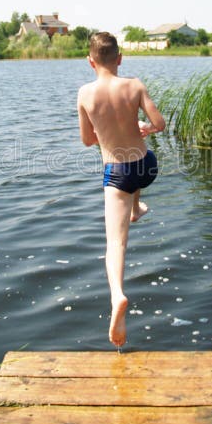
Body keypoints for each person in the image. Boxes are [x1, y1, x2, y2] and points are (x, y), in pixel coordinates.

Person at [77, 32, 165, 348]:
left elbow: (87, 140)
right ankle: (137, 208)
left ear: (90, 61)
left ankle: (117, 297)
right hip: (145, 166)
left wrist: (106, 133)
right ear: (120, 58)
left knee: (116, 243)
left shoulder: (85, 94)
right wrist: (145, 127)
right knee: (139, 176)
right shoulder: (135, 85)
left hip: (116, 172)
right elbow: (160, 123)